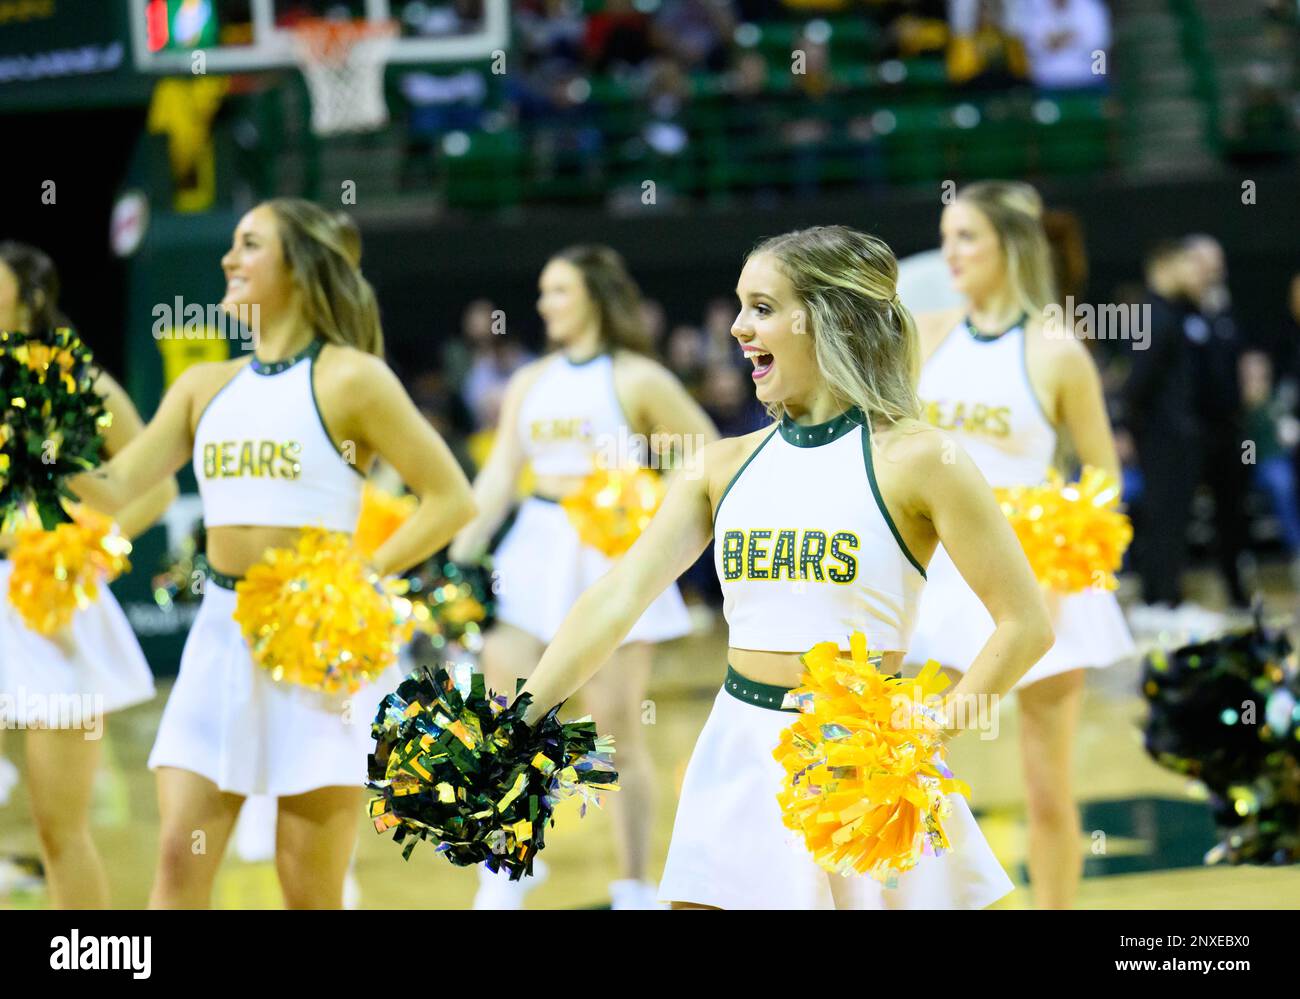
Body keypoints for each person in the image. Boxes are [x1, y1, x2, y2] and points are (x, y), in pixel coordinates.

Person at [516, 225, 1054, 909]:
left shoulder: (920, 458)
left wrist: (927, 735)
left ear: (830, 318)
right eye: (741, 306)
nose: (738, 327)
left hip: (857, 767)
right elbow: (618, 596)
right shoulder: (721, 464)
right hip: (737, 745)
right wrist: (518, 720)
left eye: (763, 308)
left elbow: (1025, 624)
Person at [69, 198, 477, 909]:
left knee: (308, 890)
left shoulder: (352, 378)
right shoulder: (203, 385)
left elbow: (451, 498)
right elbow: (112, 488)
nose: (229, 258)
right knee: (177, 862)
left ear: (300, 266)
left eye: (250, 244)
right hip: (219, 636)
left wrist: (360, 577)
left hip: (315, 648)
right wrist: (34, 444)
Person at [450, 244, 718, 910]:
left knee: (615, 731)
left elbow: (708, 454)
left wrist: (647, 505)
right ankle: (504, 868)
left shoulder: (638, 377)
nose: (544, 304)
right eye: (543, 291)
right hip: (533, 550)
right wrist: (461, 550)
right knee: (507, 717)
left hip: (608, 557)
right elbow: (501, 472)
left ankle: (633, 884)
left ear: (595, 296)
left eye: (559, 290)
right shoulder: (530, 379)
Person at [905, 181, 1135, 909]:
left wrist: (1067, 564)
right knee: (911, 759)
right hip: (941, 572)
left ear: (1009, 245)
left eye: (966, 236)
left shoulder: (1057, 349)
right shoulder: (928, 335)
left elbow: (1102, 475)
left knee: (1046, 789)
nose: (950, 252)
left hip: (1035, 577)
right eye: (946, 237)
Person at [0, 241, 176, 908]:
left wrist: (90, 548)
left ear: (30, 297)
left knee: (59, 825)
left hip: (49, 606)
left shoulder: (83, 383)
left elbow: (158, 487)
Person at [1123, 240, 1202, 617]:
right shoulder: (1153, 314)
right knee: (1164, 515)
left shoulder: (1173, 312)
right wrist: (1129, 426)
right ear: (1164, 266)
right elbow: (1138, 381)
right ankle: (1159, 599)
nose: (1193, 272)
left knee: (1173, 515)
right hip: (1161, 435)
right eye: (1186, 263)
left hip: (1172, 433)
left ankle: (1166, 596)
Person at [1183, 234, 1251, 610]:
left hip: (1229, 429)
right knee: (1177, 511)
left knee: (1233, 512)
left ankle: (1235, 587)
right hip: (1192, 430)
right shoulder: (1178, 310)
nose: (1215, 270)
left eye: (1218, 263)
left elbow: (1236, 362)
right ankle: (1168, 595)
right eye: (1207, 262)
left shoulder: (1225, 310)